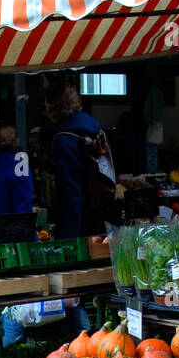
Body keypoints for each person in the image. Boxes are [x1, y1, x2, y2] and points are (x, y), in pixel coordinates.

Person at [45, 78, 116, 239]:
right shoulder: (96, 129)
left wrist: (68, 237)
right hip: (103, 214)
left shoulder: (63, 140)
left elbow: (70, 192)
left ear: (52, 108)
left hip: (80, 223)